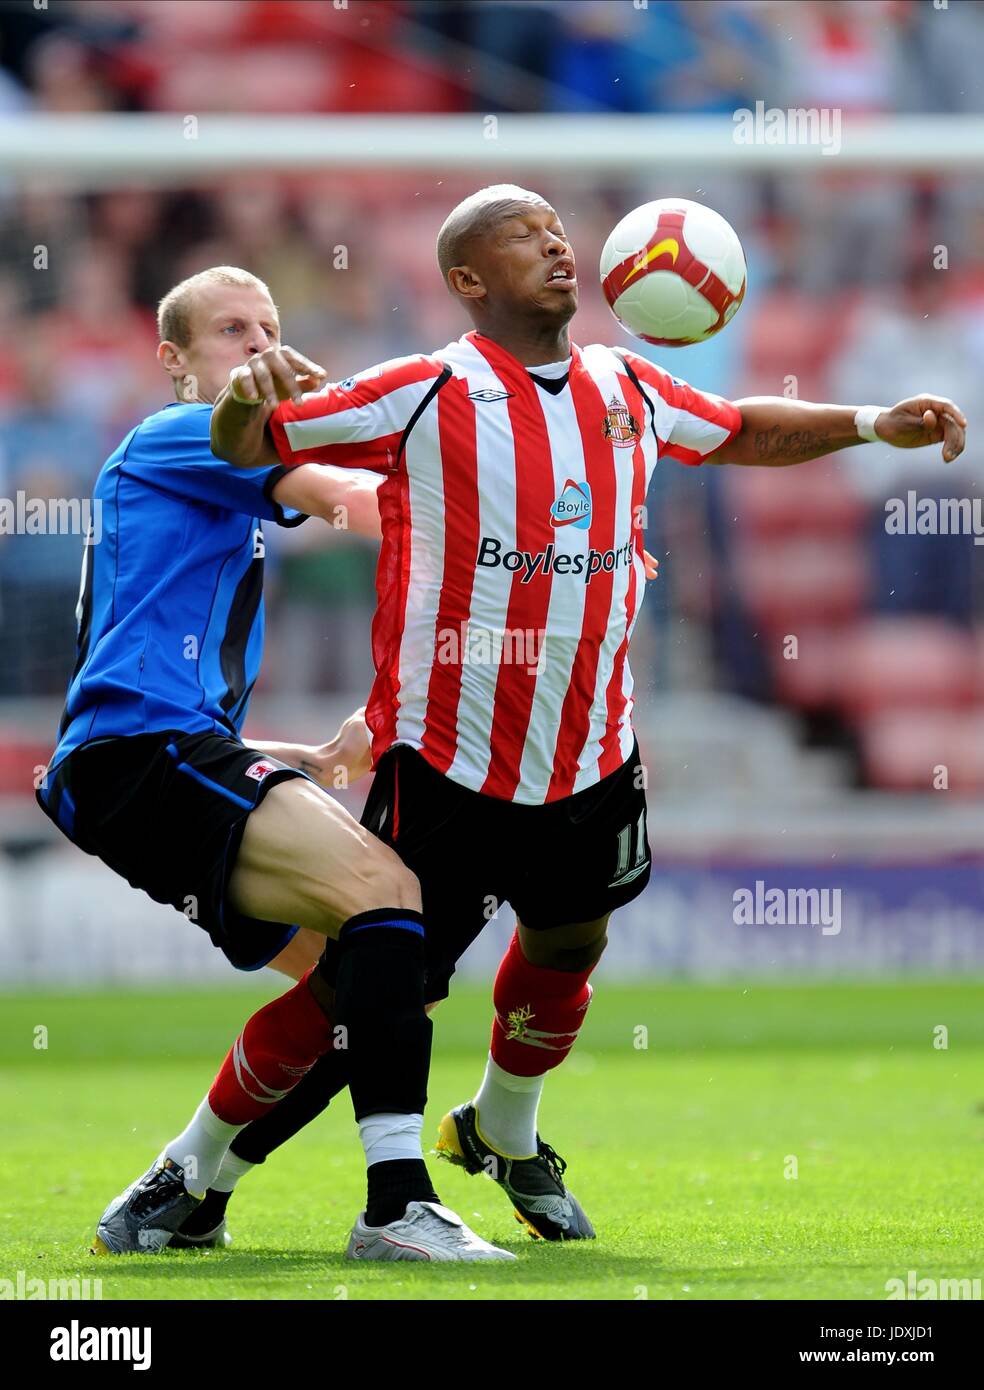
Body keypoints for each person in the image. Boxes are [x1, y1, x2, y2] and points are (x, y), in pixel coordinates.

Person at [199, 183, 966, 1248]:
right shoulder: (422, 390)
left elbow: (741, 431)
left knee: (570, 941)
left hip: (592, 746)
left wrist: (872, 421)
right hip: (452, 750)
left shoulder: (627, 383)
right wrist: (245, 394)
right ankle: (189, 1170)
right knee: (365, 988)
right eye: (523, 237)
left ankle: (503, 1129)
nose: (556, 246)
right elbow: (247, 444)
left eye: (558, 231)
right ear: (467, 280)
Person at [37, 264, 514, 1263]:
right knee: (389, 894)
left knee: (379, 979)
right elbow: (363, 505)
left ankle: (184, 1185)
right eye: (230, 331)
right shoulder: (185, 433)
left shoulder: (193, 471)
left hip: (149, 757)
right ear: (175, 363)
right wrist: (503, 523)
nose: (256, 347)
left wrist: (274, 751)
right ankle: (395, 1205)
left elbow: (131, 654)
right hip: (141, 756)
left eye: (270, 327)